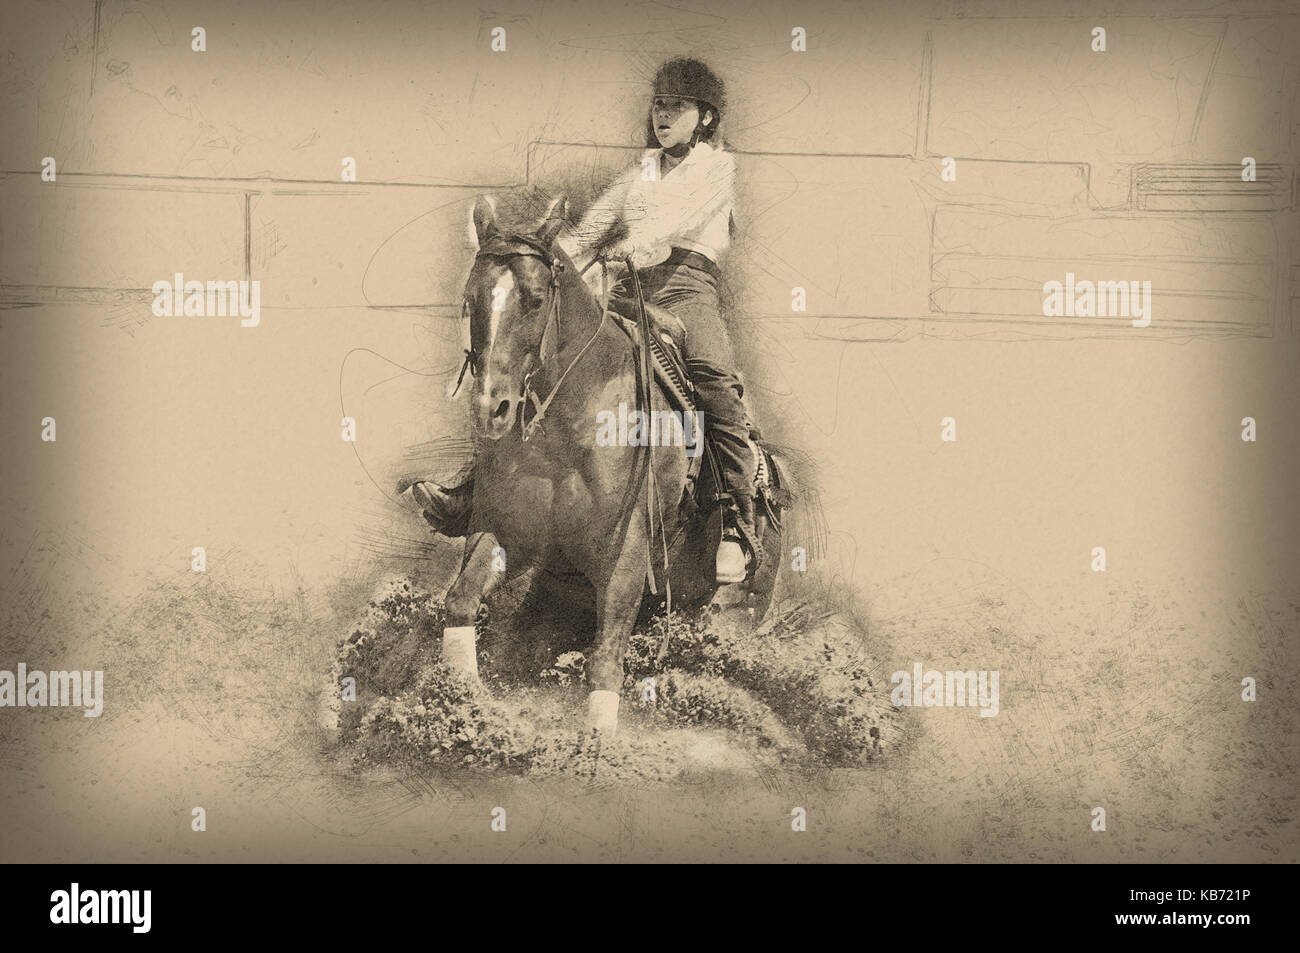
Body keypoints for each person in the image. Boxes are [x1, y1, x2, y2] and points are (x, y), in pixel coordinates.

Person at [406, 57, 761, 583]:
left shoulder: (717, 166)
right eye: (659, 105)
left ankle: (736, 520)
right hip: (626, 290)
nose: (663, 116)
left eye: (677, 107)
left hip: (688, 290)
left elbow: (672, 223)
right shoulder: (643, 168)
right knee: (538, 359)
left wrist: (626, 248)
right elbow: (593, 225)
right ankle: (474, 488)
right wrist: (548, 259)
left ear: (705, 118)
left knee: (714, 380)